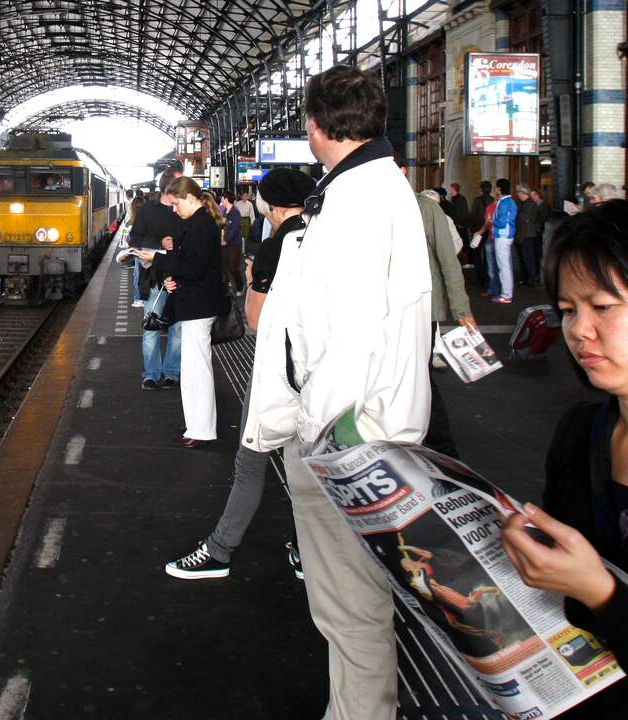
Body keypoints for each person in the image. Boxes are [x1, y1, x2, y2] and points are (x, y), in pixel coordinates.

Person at [244, 64, 431, 720]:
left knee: (350, 611)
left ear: (318, 125)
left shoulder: (355, 203)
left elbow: (348, 337)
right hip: (363, 429)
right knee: (354, 608)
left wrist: (315, 434)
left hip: (344, 442)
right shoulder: (373, 189)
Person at [499, 200, 628, 719]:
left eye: (602, 306)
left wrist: (601, 593)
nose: (579, 331)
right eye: (569, 309)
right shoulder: (580, 434)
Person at [164, 168, 314, 579]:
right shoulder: (324, 238)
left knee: (250, 463)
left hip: (278, 371)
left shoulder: (275, 247)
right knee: (305, 468)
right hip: (319, 374)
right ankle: (306, 551)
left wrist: (252, 280)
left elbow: (256, 319)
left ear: (272, 204)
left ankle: (219, 550)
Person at [397, 151, 475, 458]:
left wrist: (462, 310)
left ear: (402, 171)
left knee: (421, 376)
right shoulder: (367, 207)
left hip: (420, 310)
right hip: (383, 313)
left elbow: (449, 260)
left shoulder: (427, 209)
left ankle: (443, 448)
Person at [158, 176, 227, 448]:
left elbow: (194, 268)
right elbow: (188, 265)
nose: (174, 210)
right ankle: (196, 425)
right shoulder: (199, 223)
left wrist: (159, 260)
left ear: (189, 198)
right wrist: (169, 276)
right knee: (193, 369)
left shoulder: (200, 225)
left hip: (199, 306)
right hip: (196, 304)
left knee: (197, 370)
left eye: (176, 204)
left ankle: (202, 429)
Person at [128, 169, 184, 390]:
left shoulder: (184, 211)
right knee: (152, 326)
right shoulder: (148, 211)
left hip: (180, 276)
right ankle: (151, 374)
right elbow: (135, 239)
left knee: (177, 329)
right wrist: (160, 243)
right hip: (154, 278)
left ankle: (171, 372)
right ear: (169, 188)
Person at [492, 178, 518, 304]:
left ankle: (506, 295)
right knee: (505, 265)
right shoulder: (510, 201)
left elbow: (501, 222)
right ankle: (506, 293)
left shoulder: (503, 202)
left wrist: (492, 221)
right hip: (507, 235)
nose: (495, 189)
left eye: (496, 187)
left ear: (499, 189)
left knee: (504, 266)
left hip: (502, 235)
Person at [218, 190, 244, 292]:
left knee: (233, 268)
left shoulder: (235, 212)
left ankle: (240, 286)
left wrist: (226, 240)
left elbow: (235, 228)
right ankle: (225, 289)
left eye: (223, 198)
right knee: (224, 268)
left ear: (226, 199)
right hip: (224, 243)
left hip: (234, 244)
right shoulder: (224, 211)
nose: (221, 200)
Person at [515, 183, 540, 286]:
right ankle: (525, 278)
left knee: (528, 258)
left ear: (523, 193)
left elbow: (526, 218)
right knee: (522, 258)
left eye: (518, 192)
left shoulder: (531, 204)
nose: (517, 195)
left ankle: (532, 279)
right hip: (521, 234)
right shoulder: (521, 203)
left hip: (528, 235)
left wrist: (517, 214)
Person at [469, 180, 492, 284]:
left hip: (478, 229)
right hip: (489, 229)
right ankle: (488, 275)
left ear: (481, 189)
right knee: (488, 254)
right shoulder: (493, 200)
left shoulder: (477, 200)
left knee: (477, 253)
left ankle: (480, 275)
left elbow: (473, 215)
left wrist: (472, 229)